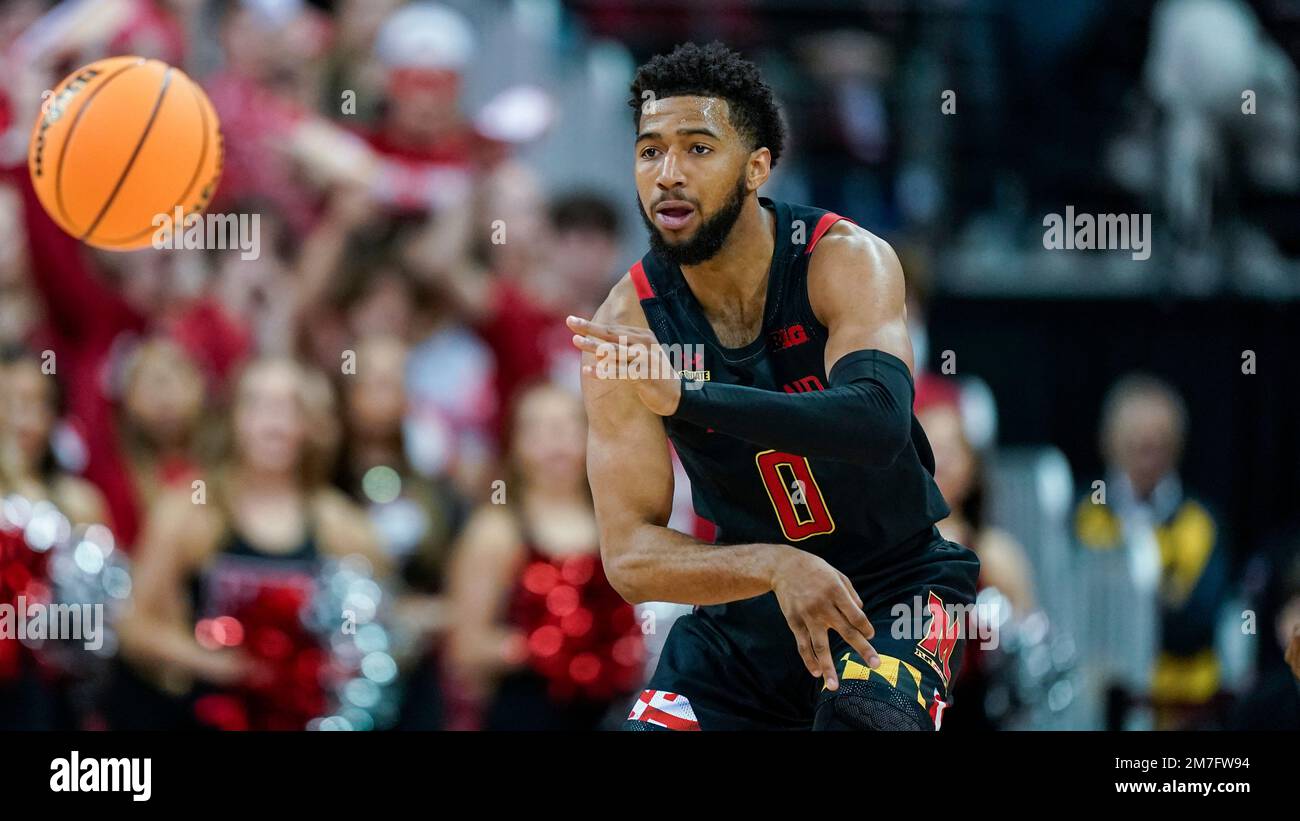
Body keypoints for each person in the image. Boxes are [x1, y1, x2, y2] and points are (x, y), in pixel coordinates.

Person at [567, 42, 978, 731]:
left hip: (893, 589)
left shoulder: (844, 259)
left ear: (757, 165)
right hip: (747, 611)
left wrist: (691, 398)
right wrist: (775, 566)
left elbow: (877, 422)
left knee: (862, 719)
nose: (668, 174)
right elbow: (630, 554)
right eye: (649, 151)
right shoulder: (626, 322)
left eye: (698, 149)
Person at [113, 358, 384, 730]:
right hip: (205, 716)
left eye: (290, 406)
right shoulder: (191, 509)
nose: (274, 420)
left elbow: (371, 633)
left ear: (310, 425)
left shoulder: (340, 524)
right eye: (258, 404)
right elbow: (133, 626)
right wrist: (215, 663)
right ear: (234, 419)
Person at [445, 382, 642, 730]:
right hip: (528, 712)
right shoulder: (496, 531)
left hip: (612, 711)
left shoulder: (615, 522)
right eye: (537, 428)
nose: (554, 441)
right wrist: (549, 645)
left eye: (567, 426)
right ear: (513, 444)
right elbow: (465, 647)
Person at [1073, 374, 1229, 729]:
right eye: (1135, 442)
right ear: (1108, 441)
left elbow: (1196, 625)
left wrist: (1128, 604)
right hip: (1095, 708)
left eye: (1157, 442)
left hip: (1183, 711)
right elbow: (1071, 611)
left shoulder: (1200, 521)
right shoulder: (1084, 514)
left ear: (1177, 446)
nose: (1146, 451)